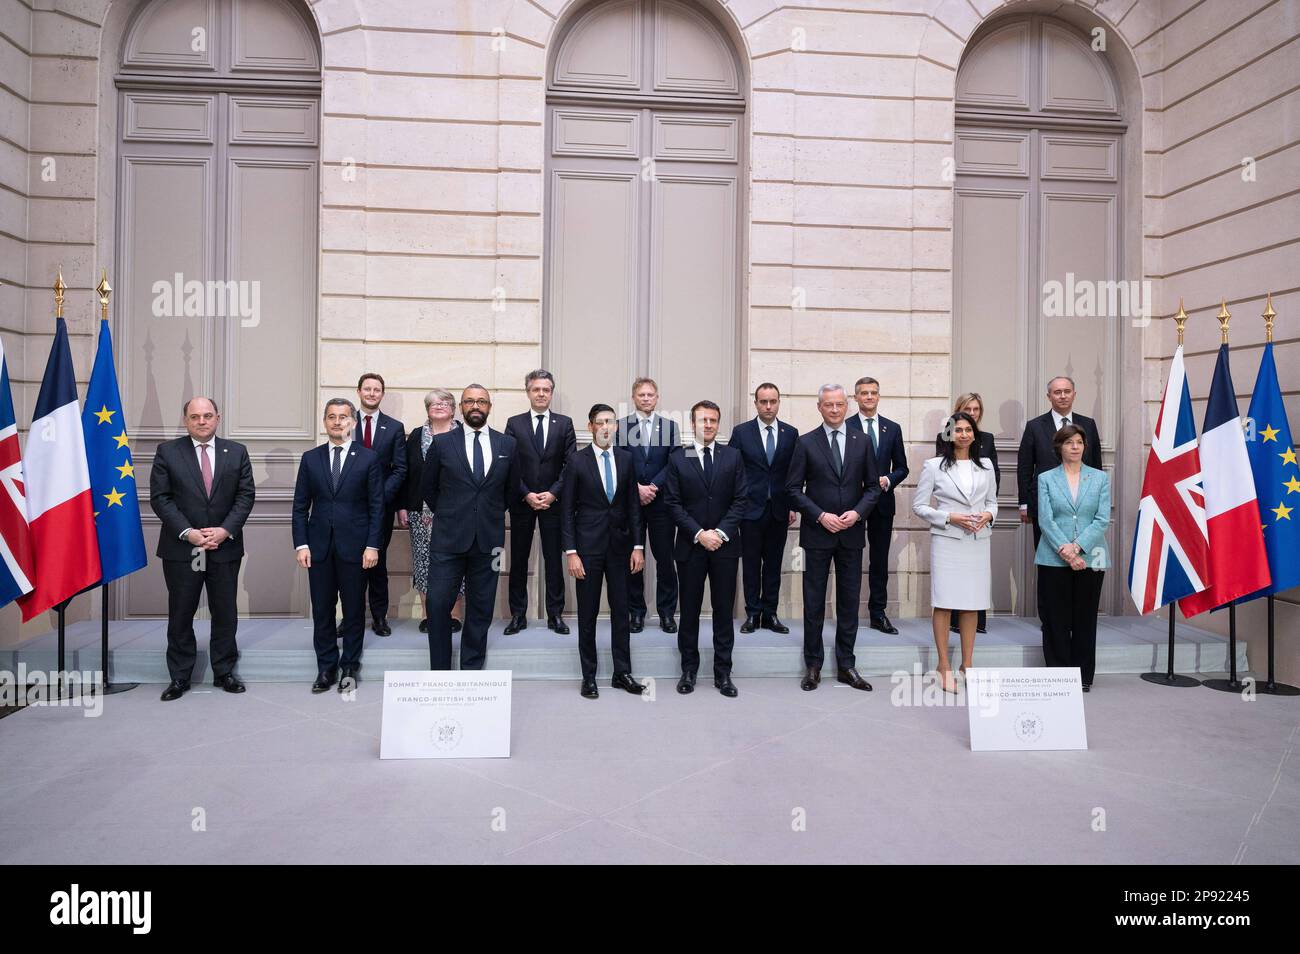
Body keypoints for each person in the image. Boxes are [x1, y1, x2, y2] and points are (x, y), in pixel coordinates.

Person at [148, 397, 255, 701]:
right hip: (183, 549)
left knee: (225, 612)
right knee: (181, 612)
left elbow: (245, 496)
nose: (202, 421)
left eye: (207, 415)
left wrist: (225, 530)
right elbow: (160, 498)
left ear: (218, 418)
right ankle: (180, 677)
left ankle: (224, 672)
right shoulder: (168, 452)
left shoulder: (237, 452)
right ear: (186, 421)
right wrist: (188, 533)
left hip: (224, 547)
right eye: (195, 417)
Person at [785, 384, 881, 692]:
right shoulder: (805, 442)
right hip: (817, 533)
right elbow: (792, 489)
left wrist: (858, 513)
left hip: (851, 533)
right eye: (829, 404)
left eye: (840, 404)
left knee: (849, 603)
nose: (835, 409)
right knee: (814, 602)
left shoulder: (862, 441)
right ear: (819, 407)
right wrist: (819, 515)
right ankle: (813, 665)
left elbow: (873, 487)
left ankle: (846, 666)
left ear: (846, 405)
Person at [421, 385, 521, 670]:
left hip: (490, 542)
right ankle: (440, 671)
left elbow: (511, 491)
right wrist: (451, 515)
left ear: (489, 407)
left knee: (481, 607)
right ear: (461, 407)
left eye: (481, 401)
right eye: (469, 401)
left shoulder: (507, 445)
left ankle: (471, 670)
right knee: (438, 605)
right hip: (447, 540)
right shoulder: (442, 443)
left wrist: (487, 515)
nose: (475, 406)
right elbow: (428, 488)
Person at [292, 398, 383, 694]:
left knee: (354, 610)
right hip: (318, 548)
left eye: (343, 417)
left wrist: (372, 545)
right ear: (324, 422)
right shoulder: (311, 458)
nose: (337, 421)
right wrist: (301, 544)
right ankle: (326, 668)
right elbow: (300, 506)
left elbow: (377, 507)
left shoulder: (368, 458)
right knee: (322, 610)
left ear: (353, 422)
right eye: (331, 416)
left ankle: (349, 667)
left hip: (356, 548)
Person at [561, 403, 647, 699]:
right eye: (600, 422)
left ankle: (622, 673)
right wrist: (571, 552)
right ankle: (589, 676)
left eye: (610, 421)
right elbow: (566, 510)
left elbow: (633, 507)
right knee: (588, 614)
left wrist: (638, 546)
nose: (606, 427)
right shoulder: (576, 461)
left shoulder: (626, 459)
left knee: (621, 612)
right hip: (587, 550)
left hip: (621, 549)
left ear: (616, 427)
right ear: (591, 427)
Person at [663, 400, 748, 697]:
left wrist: (720, 533)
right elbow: (672, 503)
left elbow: (741, 500)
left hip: (725, 547)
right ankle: (689, 670)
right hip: (691, 546)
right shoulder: (678, 458)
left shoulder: (733, 456)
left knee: (724, 611)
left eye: (713, 420)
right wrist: (700, 534)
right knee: (689, 612)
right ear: (693, 423)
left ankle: (723, 673)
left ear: (718, 423)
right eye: (703, 420)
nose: (708, 425)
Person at [913, 412, 998, 693]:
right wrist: (950, 517)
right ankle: (943, 665)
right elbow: (919, 506)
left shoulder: (986, 465)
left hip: (977, 540)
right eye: (958, 430)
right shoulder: (934, 466)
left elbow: (992, 502)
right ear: (949, 434)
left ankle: (967, 664)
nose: (963, 434)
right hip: (947, 540)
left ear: (975, 434)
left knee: (972, 604)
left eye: (968, 429)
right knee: (945, 602)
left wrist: (988, 515)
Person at [1035, 424, 1109, 692]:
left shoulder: (1100, 478)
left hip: (1092, 556)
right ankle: (1058, 674)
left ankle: (1082, 676)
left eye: (1079, 442)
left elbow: (1102, 519)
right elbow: (1045, 519)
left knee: (1085, 618)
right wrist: (1065, 550)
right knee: (1055, 618)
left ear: (1085, 446)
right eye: (1069, 442)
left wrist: (1077, 547)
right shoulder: (1046, 478)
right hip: (1053, 557)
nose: (1075, 447)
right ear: (1059, 447)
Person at [503, 369, 577, 636]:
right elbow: (509, 464)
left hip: (553, 503)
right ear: (528, 392)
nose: (541, 394)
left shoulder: (564, 423)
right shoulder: (514, 423)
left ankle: (555, 614)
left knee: (554, 561)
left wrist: (554, 492)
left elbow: (571, 464)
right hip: (522, 502)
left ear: (551, 393)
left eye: (546, 389)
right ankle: (518, 615)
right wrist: (526, 494)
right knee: (519, 560)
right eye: (536, 389)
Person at [729, 383, 798, 634]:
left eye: (773, 401)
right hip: (749, 511)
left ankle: (770, 614)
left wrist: (793, 506)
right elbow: (732, 470)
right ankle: (752, 614)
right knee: (750, 565)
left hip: (779, 510)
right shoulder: (741, 432)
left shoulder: (791, 433)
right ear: (756, 403)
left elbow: (794, 473)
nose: (768, 406)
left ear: (778, 402)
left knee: (773, 565)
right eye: (763, 402)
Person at [616, 377, 680, 634]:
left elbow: (674, 460)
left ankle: (667, 613)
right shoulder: (621, 426)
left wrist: (652, 486)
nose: (646, 398)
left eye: (650, 394)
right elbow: (618, 460)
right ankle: (636, 612)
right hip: (630, 504)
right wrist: (636, 489)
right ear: (633, 397)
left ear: (657, 397)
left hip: (661, 503)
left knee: (665, 560)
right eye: (641, 394)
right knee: (633, 559)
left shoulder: (670, 426)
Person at [846, 376, 909, 635]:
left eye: (873, 392)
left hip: (882, 502)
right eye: (864, 393)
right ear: (856, 397)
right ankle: (848, 613)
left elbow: (903, 468)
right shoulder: (845, 426)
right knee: (849, 559)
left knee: (879, 560)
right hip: (852, 504)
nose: (869, 397)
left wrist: (888, 479)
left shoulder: (892, 429)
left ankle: (878, 613)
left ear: (879, 396)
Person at [935, 391, 999, 634]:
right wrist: (951, 515)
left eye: (976, 409)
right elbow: (942, 473)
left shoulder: (987, 439)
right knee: (950, 582)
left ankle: (977, 623)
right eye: (967, 409)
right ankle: (953, 621)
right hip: (954, 521)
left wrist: (987, 512)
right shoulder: (944, 437)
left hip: (979, 516)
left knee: (976, 578)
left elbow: (993, 476)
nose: (972, 413)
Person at [1017, 376, 1101, 548]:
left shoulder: (1088, 424)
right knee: (1047, 555)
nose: (1063, 396)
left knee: (1080, 552)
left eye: (1067, 391)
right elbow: (1025, 467)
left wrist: (1097, 501)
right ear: (1049, 396)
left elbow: (1095, 464)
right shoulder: (1034, 426)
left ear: (1074, 394)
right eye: (1057, 392)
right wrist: (1024, 503)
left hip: (1082, 503)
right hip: (1044, 503)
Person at [404, 388, 462, 634]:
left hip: (458, 511)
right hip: (421, 510)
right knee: (423, 563)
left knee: (456, 563)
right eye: (433, 403)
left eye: (445, 402)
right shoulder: (417, 435)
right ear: (427, 409)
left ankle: (454, 615)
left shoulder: (464, 434)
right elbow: (406, 472)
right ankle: (429, 616)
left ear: (454, 409)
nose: (439, 406)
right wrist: (404, 505)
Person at [354, 373, 407, 637]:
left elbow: (400, 468)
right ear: (359, 391)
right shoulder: (345, 421)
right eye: (367, 389)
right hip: (350, 508)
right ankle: (350, 618)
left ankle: (379, 617)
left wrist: (380, 497)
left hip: (381, 508)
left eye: (377, 390)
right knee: (350, 564)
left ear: (382, 394)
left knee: (378, 563)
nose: (372, 393)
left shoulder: (394, 427)